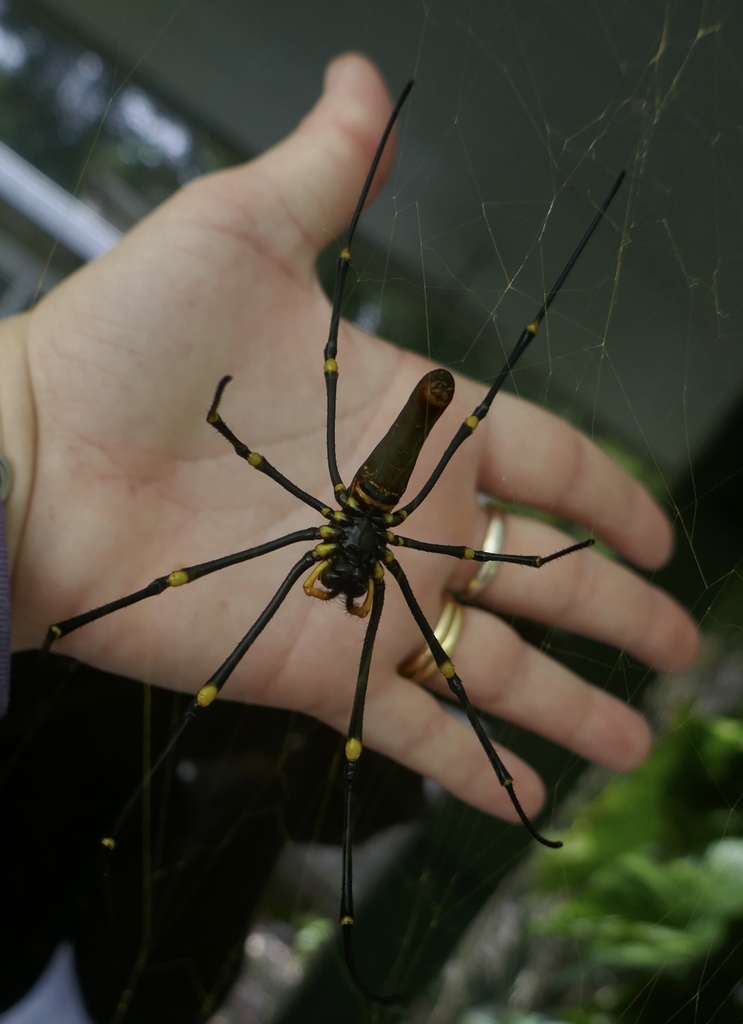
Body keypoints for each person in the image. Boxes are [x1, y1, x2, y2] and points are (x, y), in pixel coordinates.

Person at [0, 51, 698, 829]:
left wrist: (38, 456)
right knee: (292, 633)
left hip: (365, 494)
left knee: (433, 435)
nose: (346, 586)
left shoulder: (345, 544)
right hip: (372, 497)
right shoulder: (377, 564)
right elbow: (254, 466)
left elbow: (250, 462)